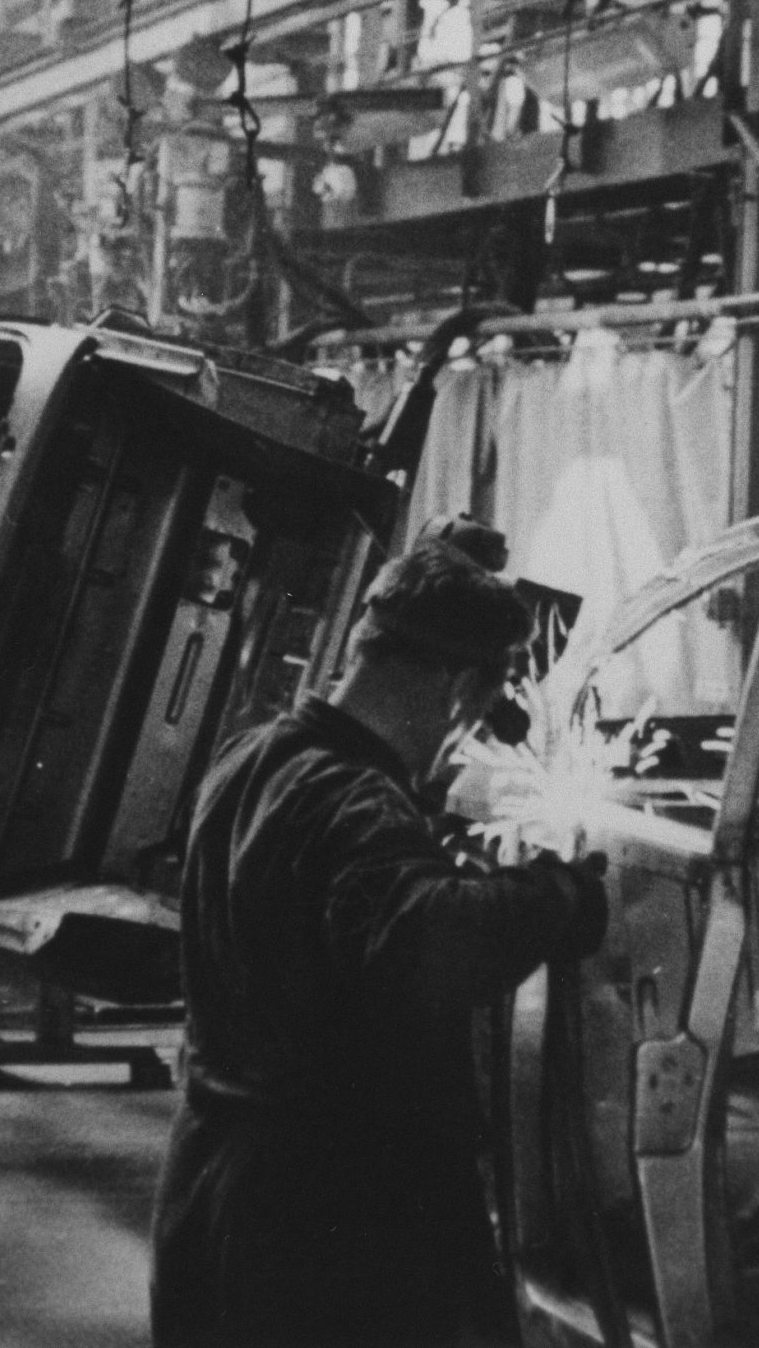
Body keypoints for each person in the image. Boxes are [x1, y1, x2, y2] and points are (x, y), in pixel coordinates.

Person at [150, 518, 609, 1348]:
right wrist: (561, 894)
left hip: (211, 1190)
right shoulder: (354, 799)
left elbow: (339, 897)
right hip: (324, 1225)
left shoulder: (250, 759)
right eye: (477, 712)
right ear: (459, 687)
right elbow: (430, 940)